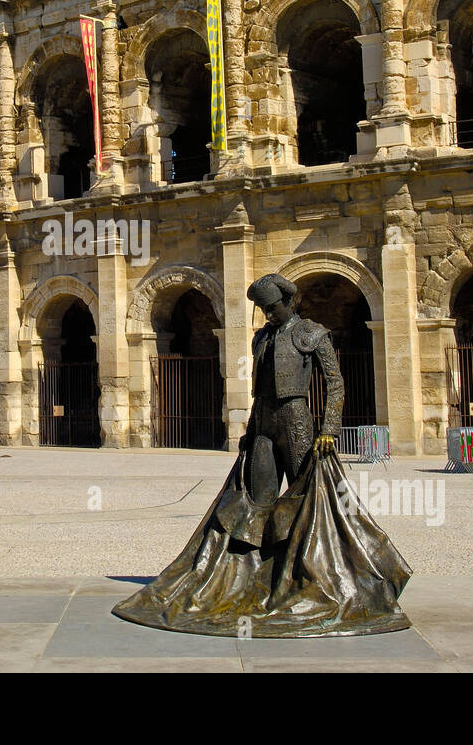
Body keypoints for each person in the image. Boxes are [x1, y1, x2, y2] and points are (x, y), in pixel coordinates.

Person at [113, 273, 412, 638]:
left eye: (270, 307)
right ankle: (256, 575)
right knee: (258, 500)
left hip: (297, 419)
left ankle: (307, 572)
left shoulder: (312, 333)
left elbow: (335, 383)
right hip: (265, 421)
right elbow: (259, 391)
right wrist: (251, 429)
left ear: (288, 302)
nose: (266, 313)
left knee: (306, 500)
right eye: (262, 308)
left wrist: (329, 429)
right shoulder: (262, 337)